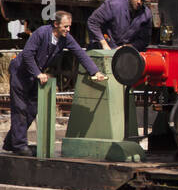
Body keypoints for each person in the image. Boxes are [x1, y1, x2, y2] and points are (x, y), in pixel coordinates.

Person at [5, 11, 106, 156]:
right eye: (65, 26)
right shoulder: (41, 33)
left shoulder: (65, 38)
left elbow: (79, 53)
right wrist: (38, 73)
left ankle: (11, 142)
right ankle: (19, 145)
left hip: (35, 75)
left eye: (69, 26)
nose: (68, 29)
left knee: (32, 109)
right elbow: (27, 54)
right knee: (20, 108)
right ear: (56, 24)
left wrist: (94, 71)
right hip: (21, 72)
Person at [86, 0, 153, 51]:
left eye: (142, 0)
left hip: (124, 53)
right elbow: (92, 22)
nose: (139, 2)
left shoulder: (146, 15)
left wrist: (128, 47)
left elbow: (144, 40)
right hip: (103, 47)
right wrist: (104, 44)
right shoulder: (114, 5)